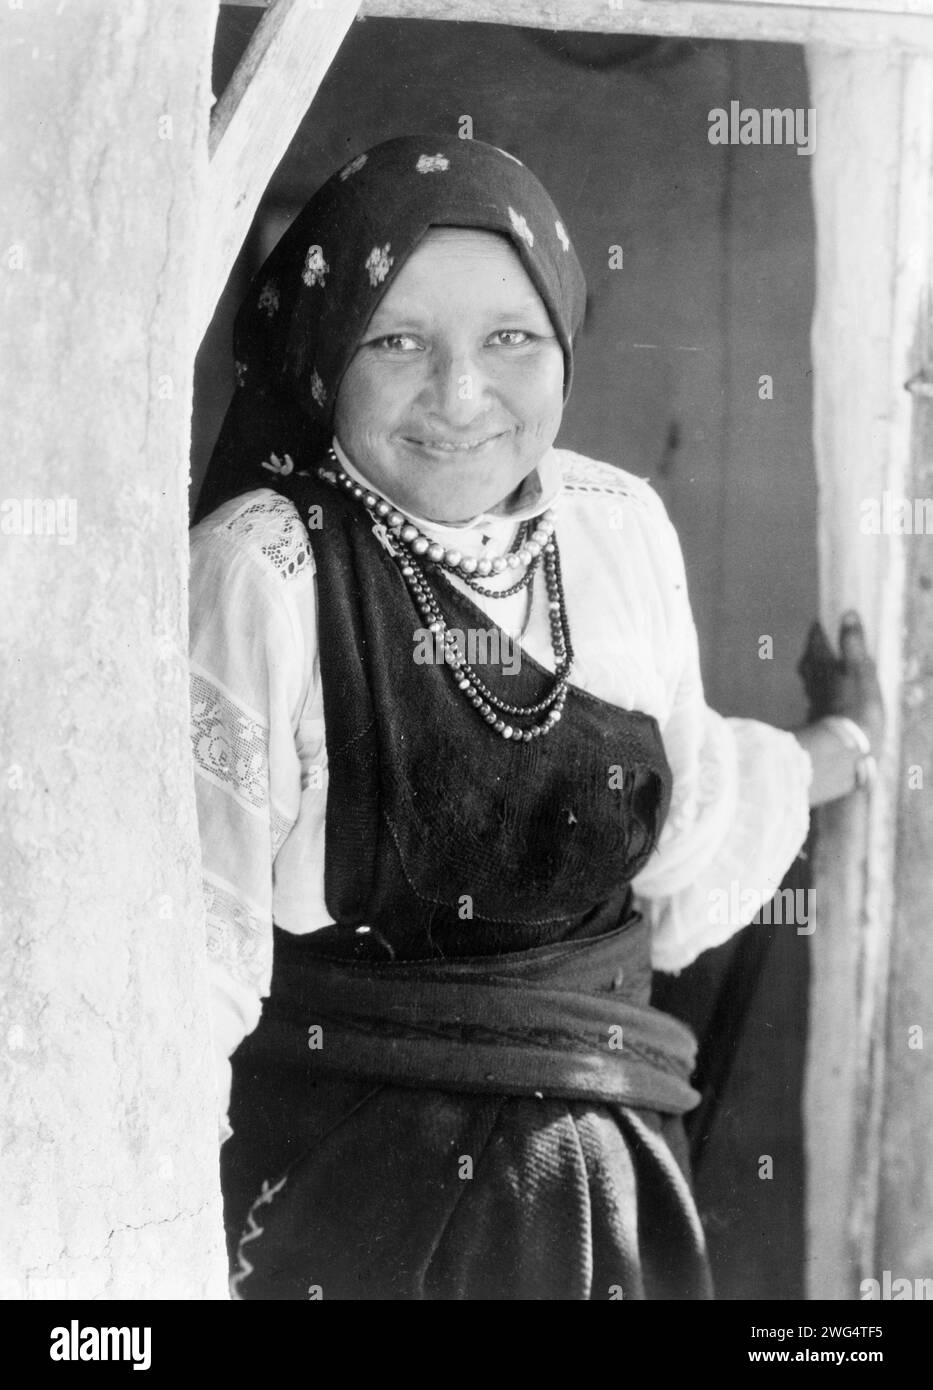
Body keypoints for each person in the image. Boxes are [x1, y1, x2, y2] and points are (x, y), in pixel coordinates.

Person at [189, 134, 883, 1300]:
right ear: (320, 355)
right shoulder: (262, 573)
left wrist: (844, 743)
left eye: (510, 338)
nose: (461, 397)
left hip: (602, 1198)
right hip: (341, 1207)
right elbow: (180, 973)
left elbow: (692, 819)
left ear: (563, 335)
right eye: (396, 339)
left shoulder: (619, 530)